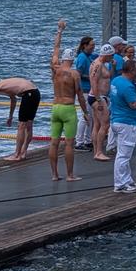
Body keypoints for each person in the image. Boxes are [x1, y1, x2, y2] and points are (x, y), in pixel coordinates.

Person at [51, 20, 88, 181]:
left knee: (54, 143)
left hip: (55, 108)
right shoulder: (74, 74)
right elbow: (79, 95)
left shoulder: (55, 68)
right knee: (69, 143)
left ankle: (54, 175)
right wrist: (86, 112)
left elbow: (56, 48)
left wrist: (60, 30)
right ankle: (70, 175)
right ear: (72, 59)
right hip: (67, 109)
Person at [0, 76, 41, 162]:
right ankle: (23, 153)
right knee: (29, 125)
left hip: (28, 94)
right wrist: (10, 116)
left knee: (21, 126)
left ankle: (17, 155)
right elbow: (14, 100)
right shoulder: (5, 85)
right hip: (36, 93)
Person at [108, 58, 136, 192]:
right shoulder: (128, 87)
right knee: (123, 154)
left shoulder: (116, 80)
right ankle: (120, 184)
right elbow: (133, 105)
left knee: (124, 153)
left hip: (117, 119)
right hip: (126, 122)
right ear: (132, 71)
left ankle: (127, 180)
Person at [89, 42, 117, 162]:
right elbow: (94, 83)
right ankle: (99, 152)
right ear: (106, 55)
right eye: (111, 56)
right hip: (97, 97)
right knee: (105, 124)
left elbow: (107, 77)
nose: (112, 58)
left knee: (97, 125)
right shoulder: (98, 65)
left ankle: (97, 151)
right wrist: (99, 100)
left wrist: (113, 67)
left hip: (100, 97)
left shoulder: (102, 64)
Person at [73, 34, 96, 151]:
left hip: (91, 90)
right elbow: (78, 74)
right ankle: (79, 142)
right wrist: (91, 77)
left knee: (90, 116)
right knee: (85, 116)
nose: (93, 47)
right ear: (84, 46)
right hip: (85, 89)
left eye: (94, 45)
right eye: (91, 45)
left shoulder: (90, 56)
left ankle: (87, 140)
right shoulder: (82, 57)